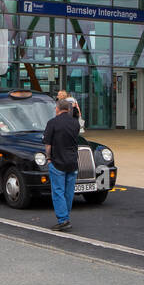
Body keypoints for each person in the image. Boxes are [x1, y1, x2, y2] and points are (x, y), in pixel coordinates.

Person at [43, 97, 81, 230]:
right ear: (68, 109)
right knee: (69, 192)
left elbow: (48, 144)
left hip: (58, 161)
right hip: (72, 161)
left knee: (58, 191)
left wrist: (48, 159)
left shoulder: (52, 123)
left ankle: (63, 219)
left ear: (58, 108)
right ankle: (66, 216)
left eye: (55, 107)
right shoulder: (75, 123)